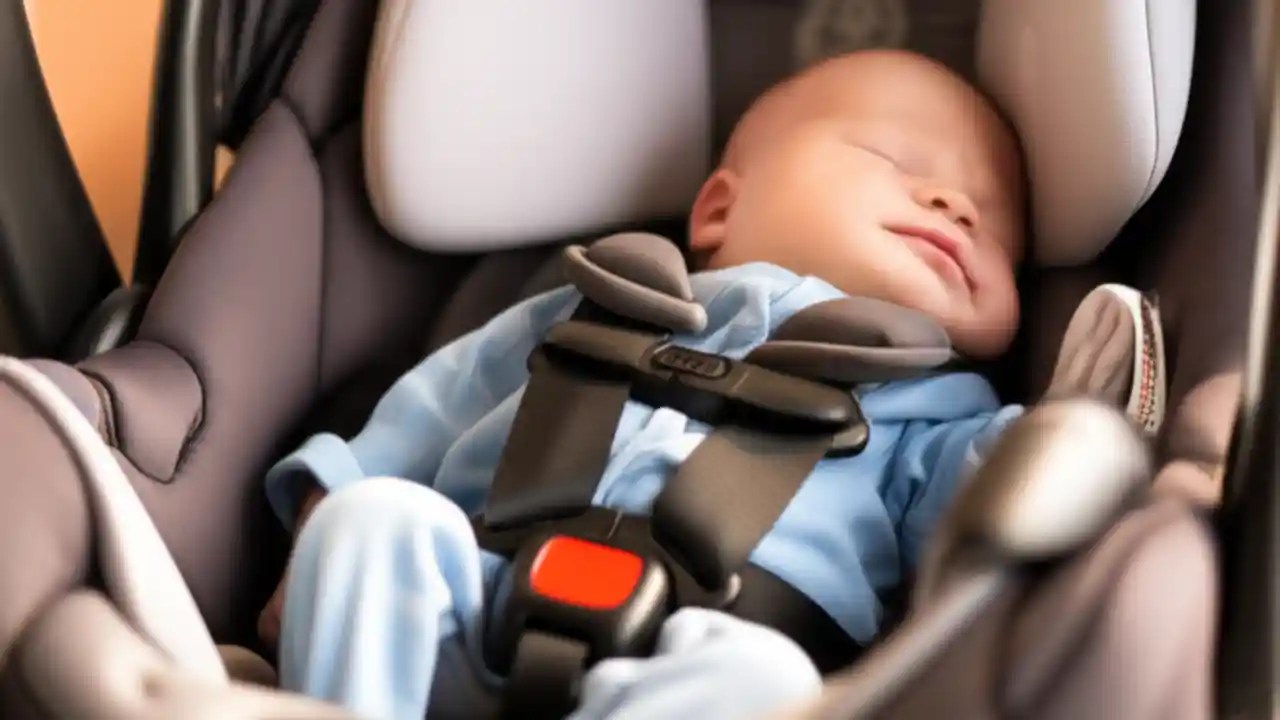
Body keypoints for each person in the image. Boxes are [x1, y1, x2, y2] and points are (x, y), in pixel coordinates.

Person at [256, 49, 1160, 719]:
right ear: (720, 207)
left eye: (994, 226)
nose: (955, 207)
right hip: (468, 605)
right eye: (894, 160)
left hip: (712, 647)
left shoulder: (936, 408)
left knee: (768, 689)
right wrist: (327, 516)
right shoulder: (586, 306)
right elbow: (433, 408)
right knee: (374, 524)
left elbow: (992, 527)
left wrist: (1075, 420)